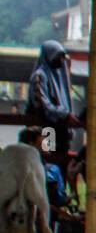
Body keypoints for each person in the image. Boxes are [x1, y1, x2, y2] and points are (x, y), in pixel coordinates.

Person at [24, 40, 78, 178]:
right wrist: (64, 114)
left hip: (60, 131)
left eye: (62, 57)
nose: (60, 60)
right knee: (48, 163)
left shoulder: (60, 76)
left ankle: (59, 195)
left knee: (60, 164)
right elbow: (43, 104)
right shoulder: (39, 76)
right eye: (57, 56)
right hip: (46, 129)